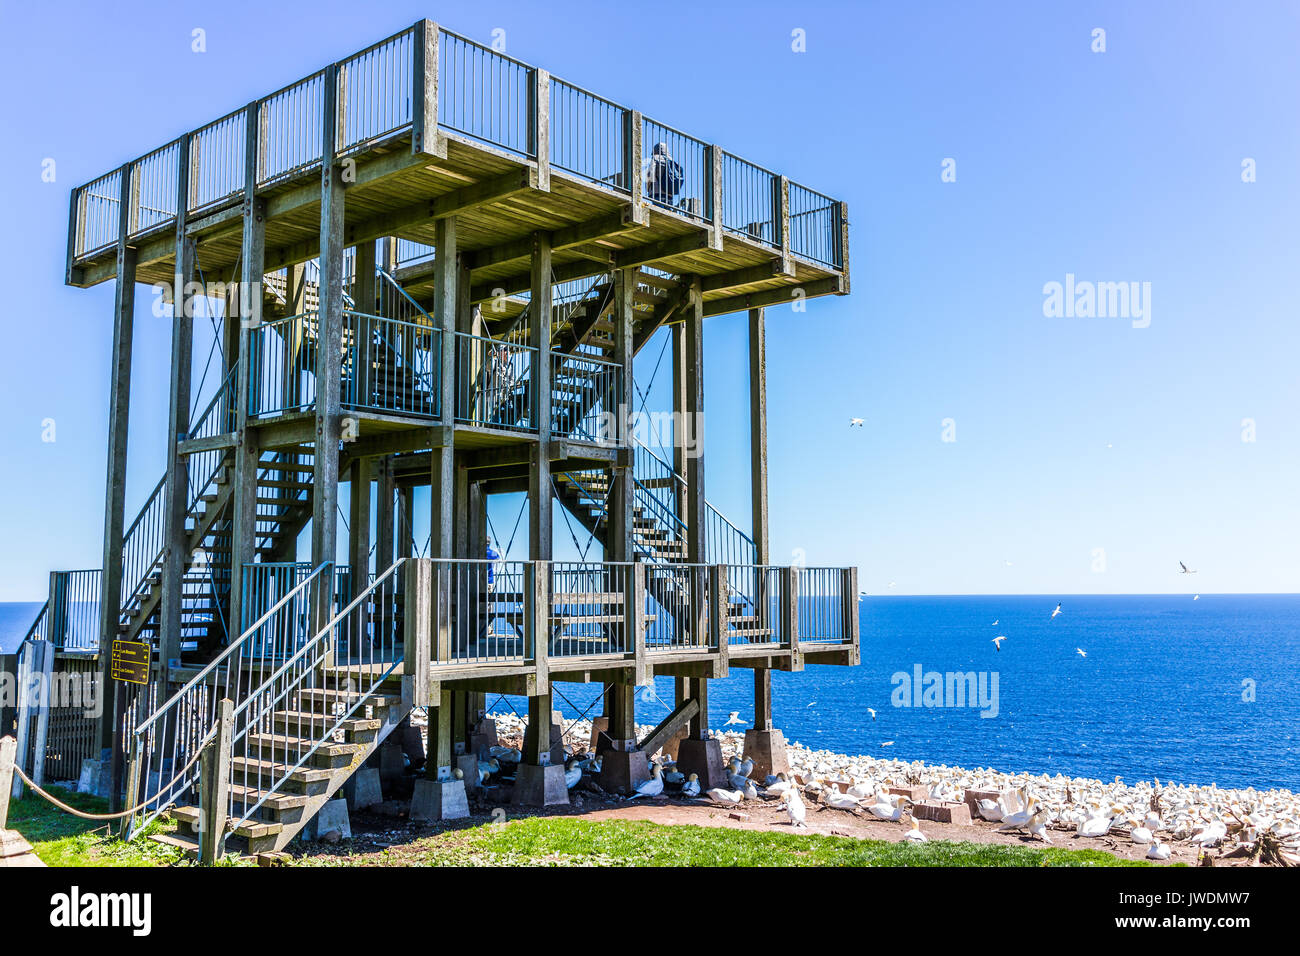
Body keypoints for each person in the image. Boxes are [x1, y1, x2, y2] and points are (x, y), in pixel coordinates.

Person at [645, 141, 684, 206]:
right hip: (669, 193)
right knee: (668, 210)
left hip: (656, 192)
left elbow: (650, 173)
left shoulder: (655, 158)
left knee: (658, 211)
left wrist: (648, 187)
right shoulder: (672, 161)